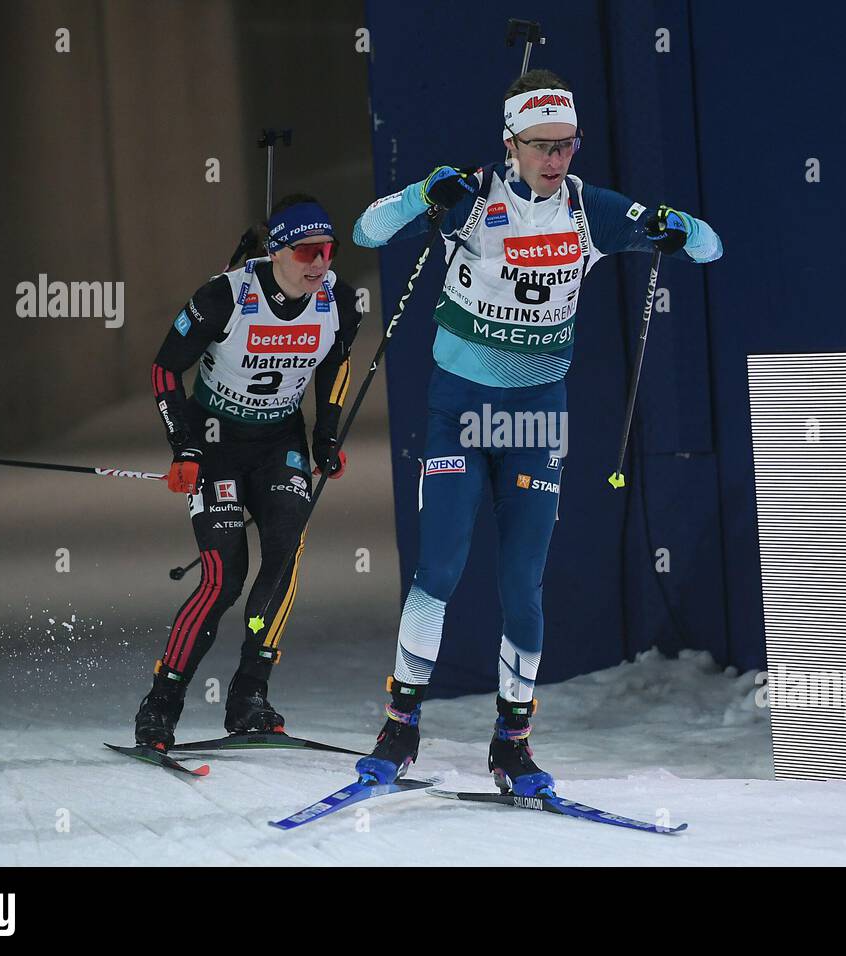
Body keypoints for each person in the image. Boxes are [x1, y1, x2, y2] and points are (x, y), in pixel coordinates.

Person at [350, 69, 722, 795]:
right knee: (441, 571)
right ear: (511, 143)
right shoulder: (474, 195)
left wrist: (678, 229)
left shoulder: (590, 209)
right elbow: (368, 229)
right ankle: (400, 729)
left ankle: (512, 745)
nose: (556, 160)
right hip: (459, 409)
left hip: (534, 416)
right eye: (541, 146)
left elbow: (710, 247)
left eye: (567, 145)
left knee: (523, 583)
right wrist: (420, 195)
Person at [133, 193, 361, 748]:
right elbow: (167, 369)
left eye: (327, 251)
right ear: (277, 250)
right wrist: (184, 448)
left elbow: (336, 361)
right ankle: (162, 702)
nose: (320, 263)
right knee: (223, 577)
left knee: (285, 550)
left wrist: (327, 433)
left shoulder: (340, 301)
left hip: (279, 441)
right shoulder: (225, 296)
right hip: (216, 444)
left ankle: (249, 695)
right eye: (306, 251)